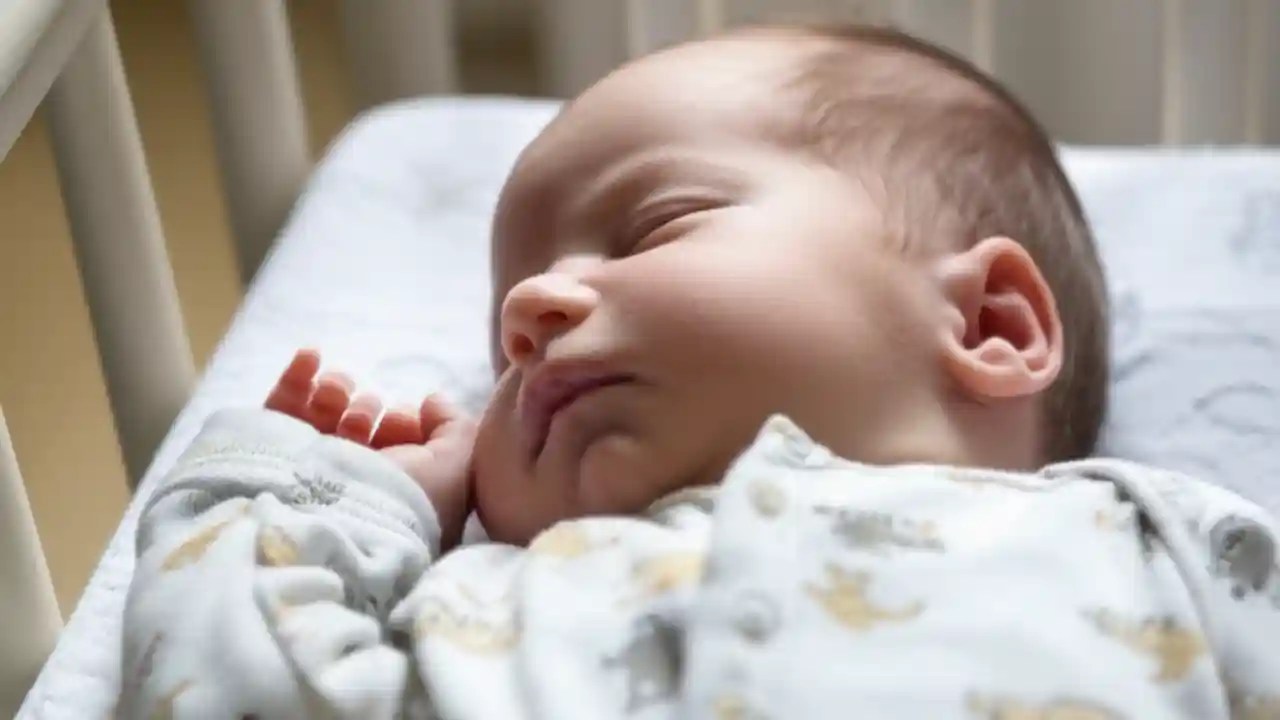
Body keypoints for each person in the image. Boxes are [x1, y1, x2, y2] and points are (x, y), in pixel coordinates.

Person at [117, 25, 1280, 719]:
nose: (526, 318)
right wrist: (325, 507)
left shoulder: (1154, 544)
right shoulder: (479, 604)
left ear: (985, 322)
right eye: (497, 357)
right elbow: (233, 694)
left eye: (652, 228)